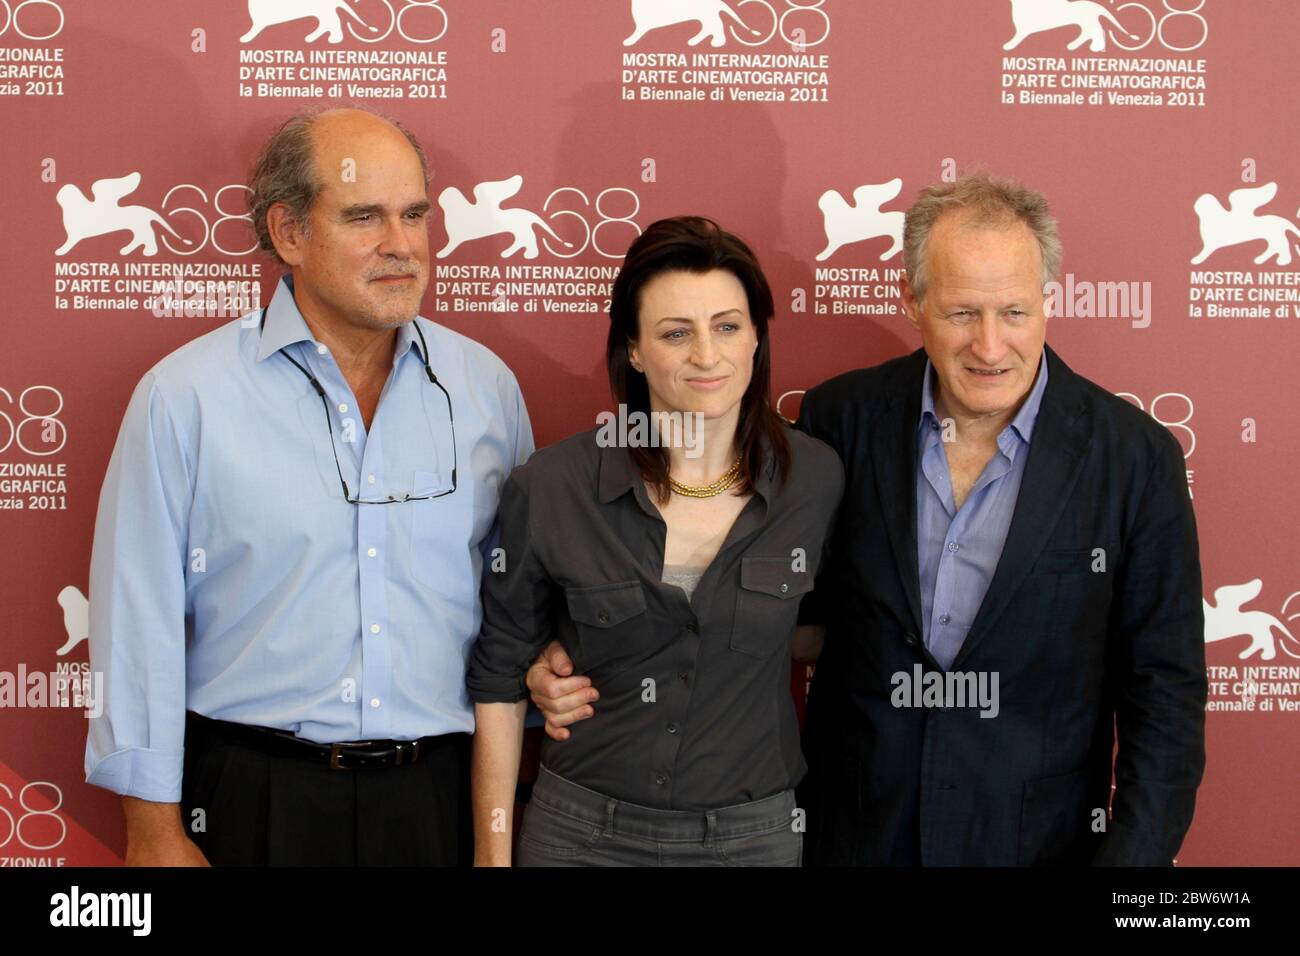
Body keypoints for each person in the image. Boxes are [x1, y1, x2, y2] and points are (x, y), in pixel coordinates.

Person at [528, 174, 1207, 866]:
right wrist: (577, 657)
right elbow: (769, 615)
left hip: (1040, 843)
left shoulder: (1135, 458)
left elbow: (1166, 694)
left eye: (1015, 312)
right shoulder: (839, 424)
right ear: (910, 301)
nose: (991, 346)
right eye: (961, 313)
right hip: (853, 833)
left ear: (1050, 303)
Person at [83, 107, 533, 866]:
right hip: (252, 801)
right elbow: (137, 625)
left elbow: (517, 606)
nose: (403, 246)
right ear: (289, 233)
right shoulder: (185, 397)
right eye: (366, 217)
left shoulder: (486, 389)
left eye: (415, 214)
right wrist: (154, 828)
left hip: (441, 801)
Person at [466, 217, 843, 866]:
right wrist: (491, 858)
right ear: (634, 350)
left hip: (753, 840)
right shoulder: (554, 486)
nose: (707, 355)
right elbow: (500, 679)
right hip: (580, 836)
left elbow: (815, 631)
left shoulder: (815, 479)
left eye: (727, 325)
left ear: (756, 336)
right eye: (676, 333)